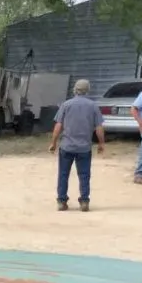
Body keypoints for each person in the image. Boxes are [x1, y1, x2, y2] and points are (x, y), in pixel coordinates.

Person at [49, 78, 105, 212]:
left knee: (63, 174)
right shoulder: (93, 106)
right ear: (88, 90)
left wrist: (53, 142)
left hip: (66, 146)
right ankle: (84, 201)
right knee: (84, 174)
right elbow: (99, 127)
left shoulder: (66, 105)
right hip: (84, 147)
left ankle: (62, 201)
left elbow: (58, 125)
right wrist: (101, 143)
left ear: (75, 89)